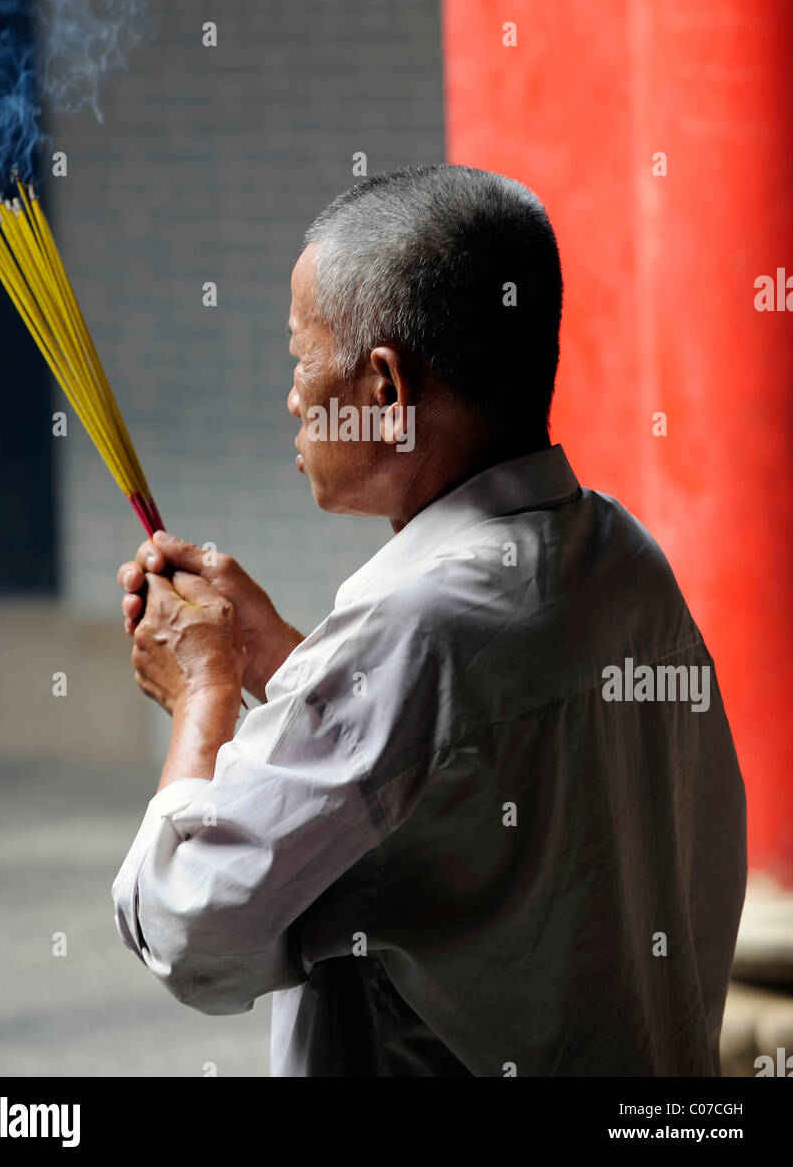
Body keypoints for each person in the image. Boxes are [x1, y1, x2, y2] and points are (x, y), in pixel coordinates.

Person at [112, 163, 747, 1077]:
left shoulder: (414, 627)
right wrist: (281, 660)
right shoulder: (622, 556)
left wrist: (204, 691)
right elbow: (441, 766)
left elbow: (188, 925)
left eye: (300, 358)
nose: (292, 397)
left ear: (385, 390)